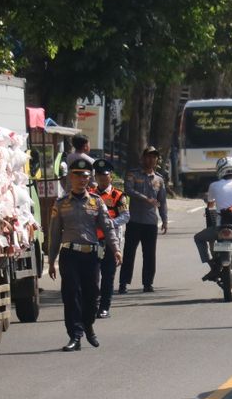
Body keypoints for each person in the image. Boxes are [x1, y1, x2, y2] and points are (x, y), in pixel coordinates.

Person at [48, 159, 121, 351]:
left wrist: (116, 249)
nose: (82, 179)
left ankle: (88, 325)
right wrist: (51, 261)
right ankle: (75, 335)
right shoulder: (61, 204)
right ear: (71, 177)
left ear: (90, 179)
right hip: (69, 255)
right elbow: (54, 234)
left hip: (90, 256)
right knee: (71, 295)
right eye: (78, 175)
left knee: (92, 296)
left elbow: (108, 227)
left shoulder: (96, 202)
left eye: (86, 176)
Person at [120, 146, 168, 294]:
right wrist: (146, 199)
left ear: (157, 160)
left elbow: (162, 200)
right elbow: (128, 190)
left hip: (150, 222)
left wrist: (164, 219)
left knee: (149, 254)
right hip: (134, 220)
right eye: (148, 156)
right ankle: (123, 283)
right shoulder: (133, 174)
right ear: (142, 158)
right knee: (129, 253)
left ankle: (148, 283)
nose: (151, 159)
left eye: (154, 157)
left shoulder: (159, 179)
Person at [92, 160, 129, 319]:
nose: (101, 178)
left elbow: (126, 216)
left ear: (110, 177)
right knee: (92, 276)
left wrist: (109, 224)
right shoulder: (90, 194)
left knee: (108, 275)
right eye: (99, 175)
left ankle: (104, 307)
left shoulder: (118, 195)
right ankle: (93, 303)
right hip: (93, 240)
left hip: (110, 240)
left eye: (104, 175)